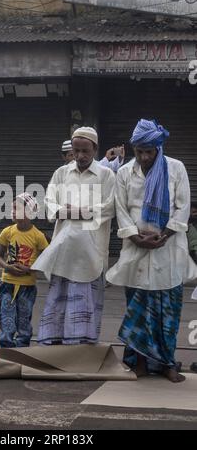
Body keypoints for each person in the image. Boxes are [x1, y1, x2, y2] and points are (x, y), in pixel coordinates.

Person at [106, 118, 197, 383]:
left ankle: (168, 363)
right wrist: (135, 238)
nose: (144, 157)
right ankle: (140, 362)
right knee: (137, 309)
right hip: (135, 249)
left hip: (169, 248)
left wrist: (165, 234)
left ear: (159, 147)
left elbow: (183, 206)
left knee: (168, 310)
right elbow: (120, 209)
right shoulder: (124, 173)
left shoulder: (176, 168)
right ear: (134, 150)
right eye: (139, 151)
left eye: (149, 151)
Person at [33, 126, 115, 345]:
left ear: (95, 149)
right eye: (76, 150)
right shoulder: (62, 173)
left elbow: (109, 207)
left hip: (91, 252)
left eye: (85, 151)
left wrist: (76, 211)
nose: (79, 156)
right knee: (58, 299)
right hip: (64, 249)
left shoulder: (106, 175)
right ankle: (54, 344)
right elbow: (50, 204)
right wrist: (71, 211)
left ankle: (81, 348)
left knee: (86, 300)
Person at [0, 193, 49, 348]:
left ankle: (23, 346)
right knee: (6, 316)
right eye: (12, 208)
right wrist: (7, 267)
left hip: (27, 286)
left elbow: (46, 260)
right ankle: (6, 346)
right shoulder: (7, 232)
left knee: (24, 318)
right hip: (7, 284)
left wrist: (29, 269)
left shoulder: (38, 236)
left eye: (16, 208)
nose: (12, 211)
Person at [61, 138, 125, 172]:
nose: (77, 156)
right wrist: (106, 158)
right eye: (71, 155)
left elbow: (109, 167)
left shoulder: (87, 165)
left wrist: (120, 158)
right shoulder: (61, 173)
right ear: (64, 157)